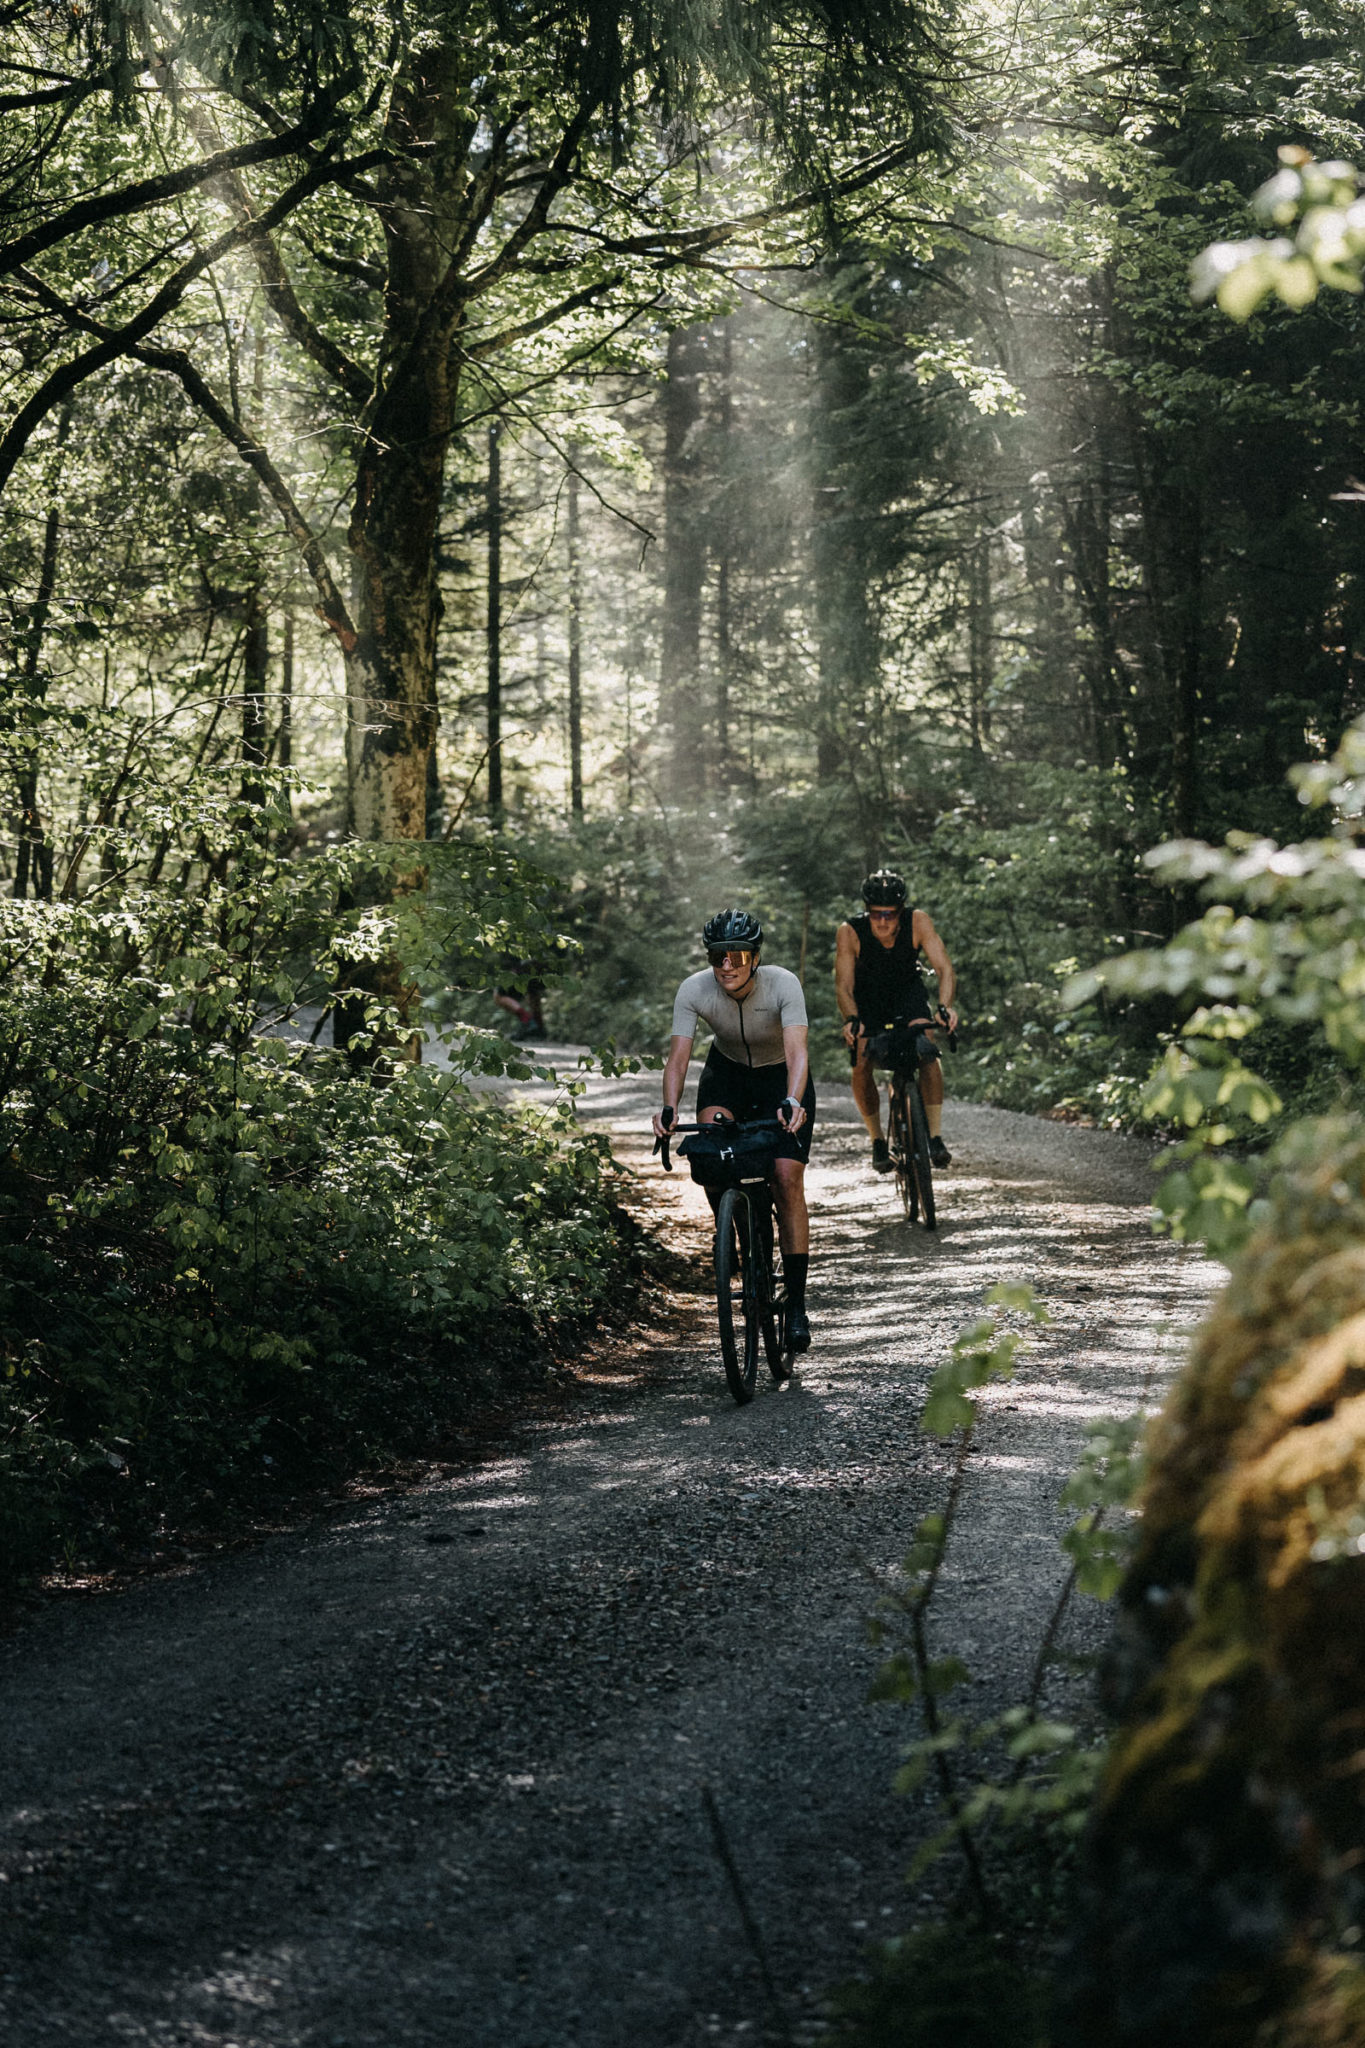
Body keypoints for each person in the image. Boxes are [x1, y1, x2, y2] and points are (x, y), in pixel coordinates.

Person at [653, 908, 815, 1353]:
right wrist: (669, 1108)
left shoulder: (783, 984)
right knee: (712, 1153)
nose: (726, 965)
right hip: (726, 1075)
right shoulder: (694, 989)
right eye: (717, 956)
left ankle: (796, 1305)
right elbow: (678, 1059)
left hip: (779, 1077)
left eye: (737, 955)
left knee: (785, 1178)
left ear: (755, 957)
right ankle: (735, 1230)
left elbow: (798, 1053)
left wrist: (794, 1099)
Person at [834, 869, 958, 1174]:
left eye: (889, 914)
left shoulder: (918, 921)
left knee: (927, 1049)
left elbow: (944, 969)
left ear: (900, 911)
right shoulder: (850, 931)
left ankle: (935, 1137)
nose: (882, 921)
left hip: (907, 994)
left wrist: (945, 1007)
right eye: (876, 914)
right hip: (869, 999)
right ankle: (877, 1140)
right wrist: (851, 1019)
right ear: (867, 910)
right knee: (861, 1059)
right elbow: (844, 986)